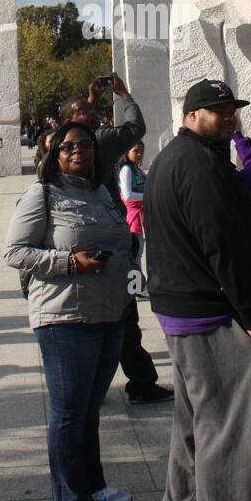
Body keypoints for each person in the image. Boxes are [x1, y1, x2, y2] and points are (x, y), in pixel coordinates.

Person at [144, 78, 251, 501]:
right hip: (211, 314)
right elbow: (224, 249)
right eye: (217, 110)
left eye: (232, 110)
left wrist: (240, 142)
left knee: (193, 420)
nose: (228, 117)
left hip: (181, 312)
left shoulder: (176, 158)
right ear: (192, 113)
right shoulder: (200, 166)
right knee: (227, 429)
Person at [3, 122, 133, 501]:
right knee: (69, 412)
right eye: (69, 146)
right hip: (64, 317)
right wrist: (70, 263)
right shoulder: (41, 194)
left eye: (86, 145)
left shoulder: (101, 192)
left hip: (110, 312)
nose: (79, 151)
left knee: (89, 409)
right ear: (55, 153)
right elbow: (16, 252)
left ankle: (92, 485)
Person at [59, 75, 172, 405]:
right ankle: (140, 382)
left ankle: (88, 384)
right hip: (107, 237)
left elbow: (72, 127)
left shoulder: (56, 148)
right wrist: (123, 94)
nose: (91, 116)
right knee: (123, 316)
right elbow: (135, 127)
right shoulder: (101, 141)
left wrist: (89, 102)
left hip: (76, 240)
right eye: (84, 112)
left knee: (90, 318)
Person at [118, 142, 146, 268]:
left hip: (142, 214)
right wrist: (148, 196)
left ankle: (137, 281)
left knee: (140, 251)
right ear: (127, 152)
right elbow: (127, 195)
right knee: (136, 252)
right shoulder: (126, 170)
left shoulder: (137, 169)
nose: (139, 154)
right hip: (133, 216)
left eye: (141, 151)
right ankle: (135, 284)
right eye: (136, 151)